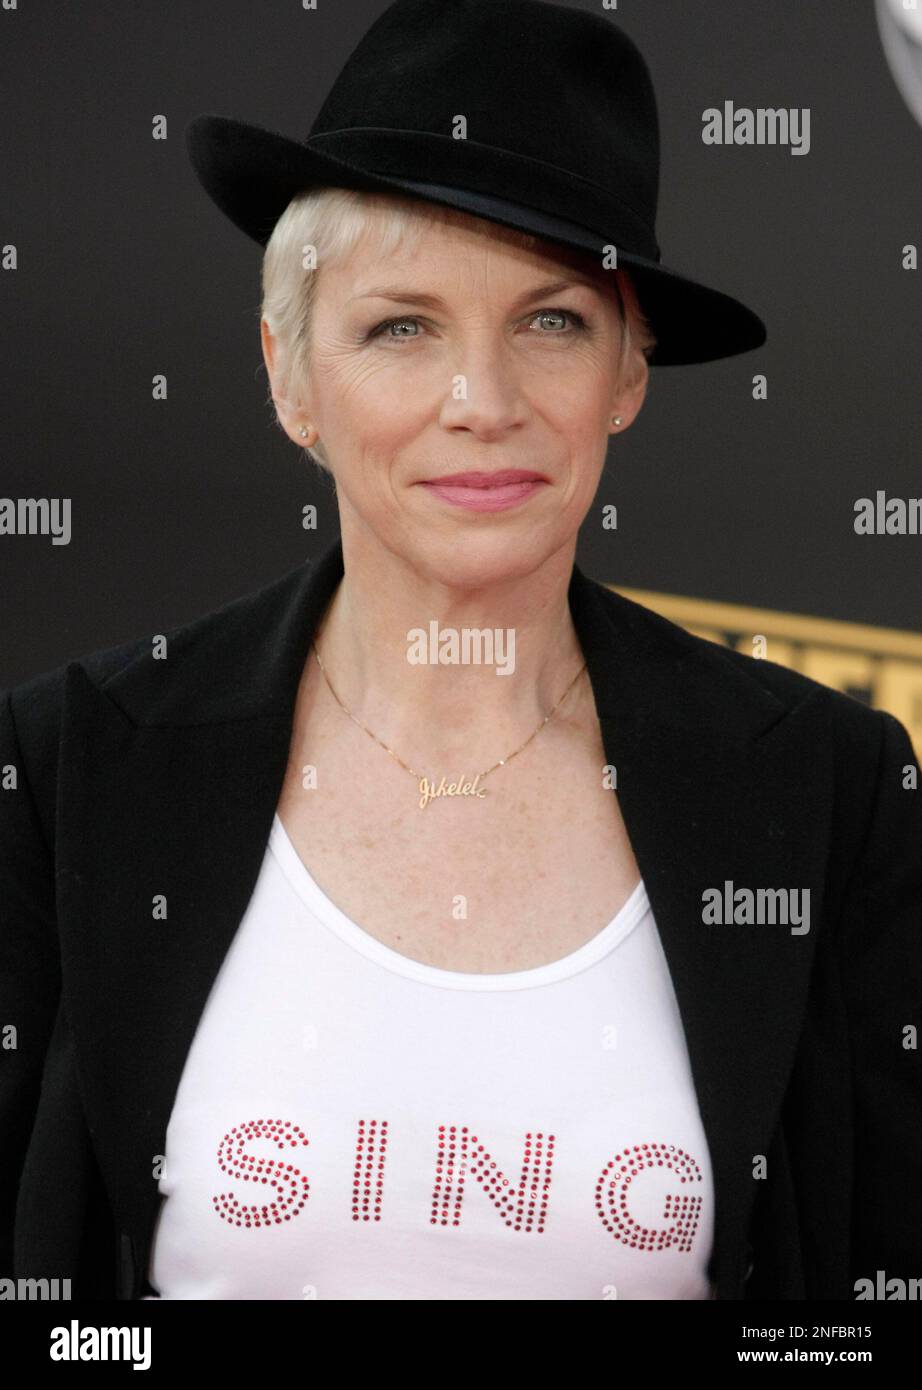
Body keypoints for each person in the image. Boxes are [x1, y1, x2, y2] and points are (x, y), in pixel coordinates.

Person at [2, 0, 920, 1302]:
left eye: (549, 321)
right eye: (400, 326)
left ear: (626, 370)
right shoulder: (66, 769)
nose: (479, 402)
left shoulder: (829, 796)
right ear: (289, 376)